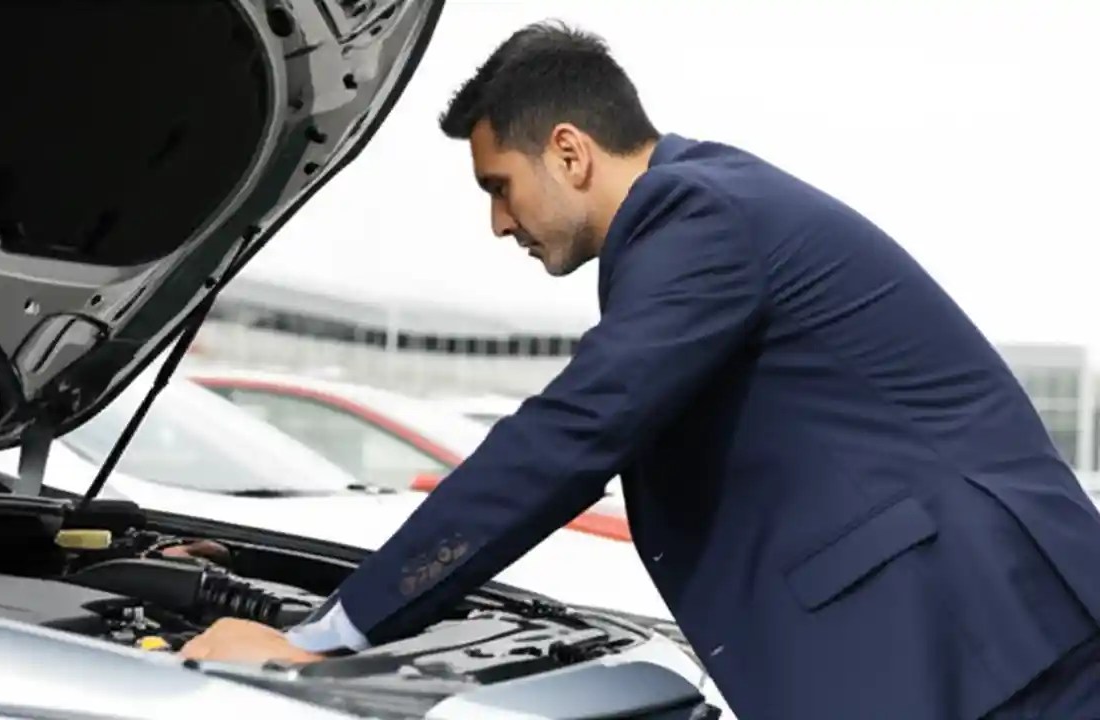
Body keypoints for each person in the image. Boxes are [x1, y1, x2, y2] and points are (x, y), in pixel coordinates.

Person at [179, 20, 1100, 719]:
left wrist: (331, 638)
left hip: (990, 645)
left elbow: (572, 432)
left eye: (498, 186)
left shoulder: (696, 220)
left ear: (570, 152)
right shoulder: (711, 207)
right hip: (970, 645)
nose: (499, 223)